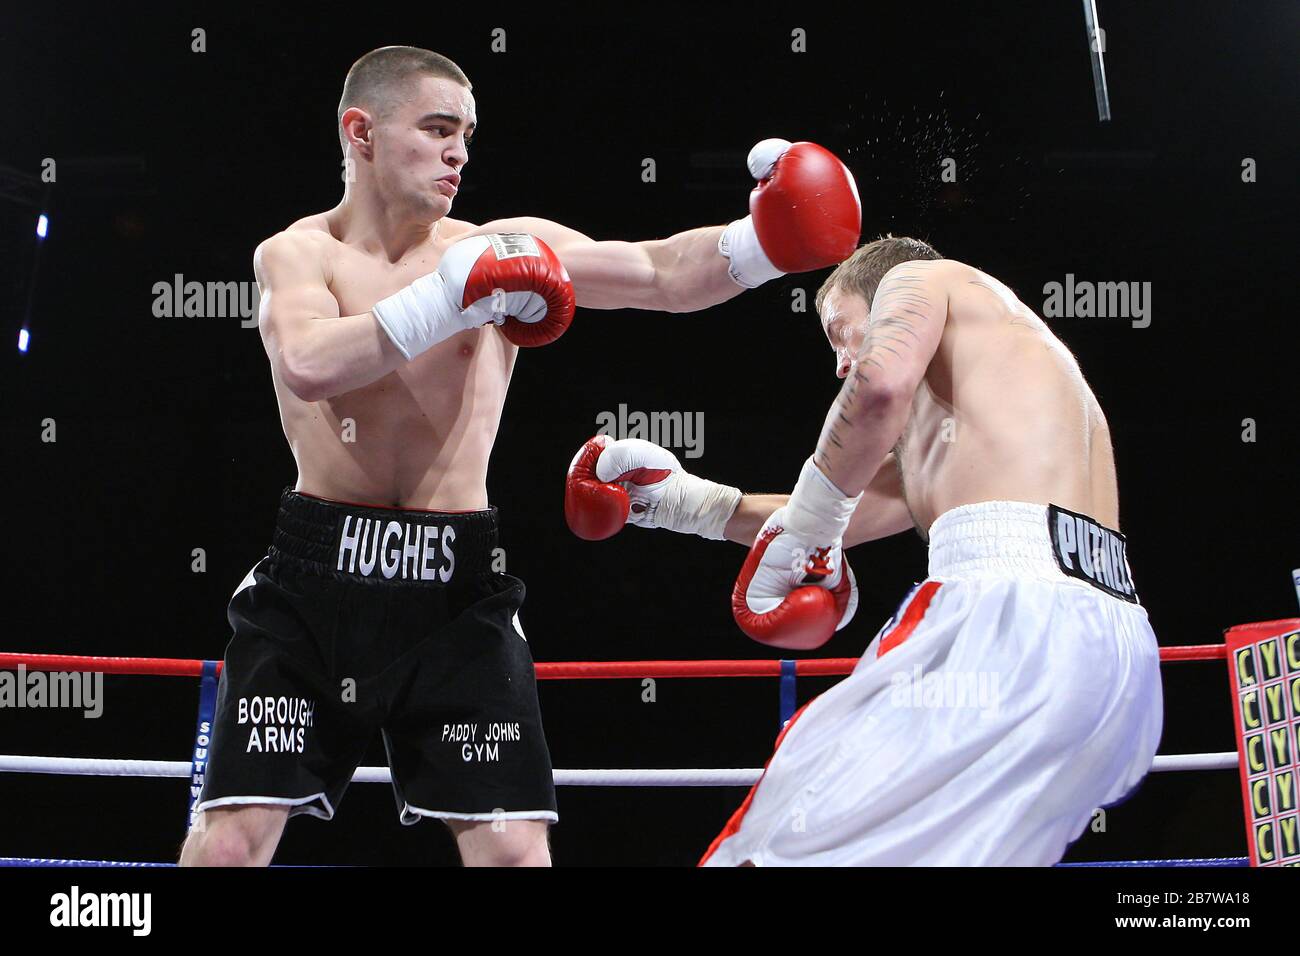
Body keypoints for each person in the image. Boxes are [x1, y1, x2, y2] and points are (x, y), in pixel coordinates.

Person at [180, 45, 860, 867]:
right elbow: (311, 365)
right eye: (435, 129)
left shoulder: (505, 244)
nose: (458, 151)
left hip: (456, 593)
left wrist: (765, 241)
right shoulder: (300, 253)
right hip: (312, 583)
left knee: (512, 852)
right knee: (232, 844)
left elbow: (659, 273)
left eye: (465, 133)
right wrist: (451, 297)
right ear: (360, 132)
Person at [565, 236, 1164, 865]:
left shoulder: (921, 278)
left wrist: (814, 519)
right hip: (1113, 662)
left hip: (1007, 617)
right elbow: (829, 522)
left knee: (787, 828)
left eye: (839, 332)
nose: (840, 362)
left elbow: (878, 386)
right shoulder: (990, 401)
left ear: (876, 294)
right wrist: (685, 503)